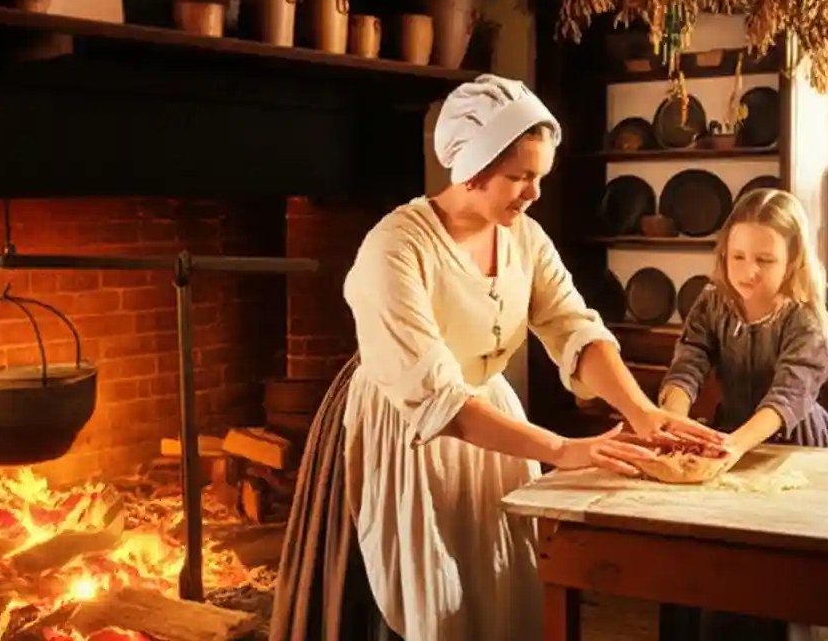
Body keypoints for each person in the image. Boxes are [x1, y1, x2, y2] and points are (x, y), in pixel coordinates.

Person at [269, 73, 727, 641]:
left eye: (540, 177)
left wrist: (643, 412)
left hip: (491, 424)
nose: (534, 193)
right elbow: (438, 400)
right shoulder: (396, 247)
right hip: (404, 428)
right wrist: (562, 450)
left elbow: (573, 327)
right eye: (521, 177)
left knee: (496, 586)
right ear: (473, 167)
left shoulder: (523, 238)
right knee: (427, 595)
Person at [657, 187, 828, 641]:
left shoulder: (804, 317)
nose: (748, 271)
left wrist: (732, 446)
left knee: (789, 570)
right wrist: (673, 422)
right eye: (738, 256)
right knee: (719, 564)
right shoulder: (713, 302)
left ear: (793, 260)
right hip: (729, 437)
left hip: (798, 446)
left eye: (765, 260)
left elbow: (788, 395)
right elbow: (689, 362)